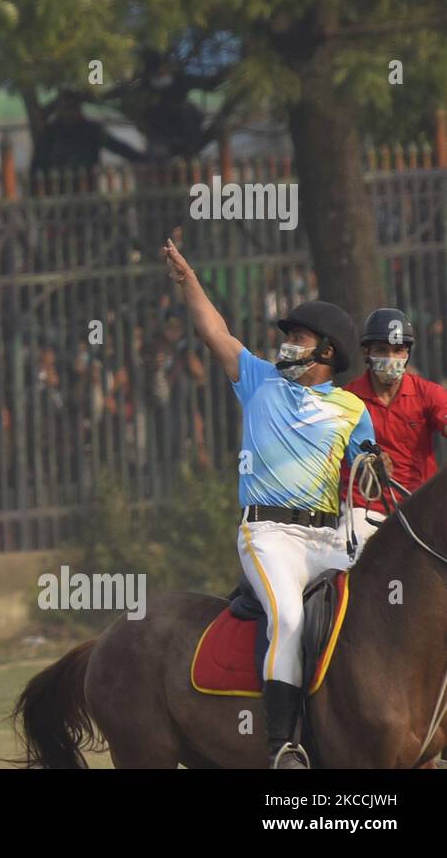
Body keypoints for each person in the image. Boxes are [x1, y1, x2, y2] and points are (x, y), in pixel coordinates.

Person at [163, 240, 382, 769]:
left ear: (325, 352)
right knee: (285, 616)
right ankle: (282, 744)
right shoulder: (259, 380)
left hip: (330, 538)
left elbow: (369, 472)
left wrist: (374, 467)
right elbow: (214, 332)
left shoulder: (353, 409)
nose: (285, 342)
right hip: (270, 537)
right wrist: (190, 280)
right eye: (286, 335)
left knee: (378, 614)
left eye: (296, 336)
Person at [341, 308, 447, 559]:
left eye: (398, 350)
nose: (391, 357)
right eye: (381, 350)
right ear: (366, 351)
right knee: (345, 556)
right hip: (365, 507)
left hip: (419, 507)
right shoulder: (346, 399)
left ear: (408, 352)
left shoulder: (427, 393)